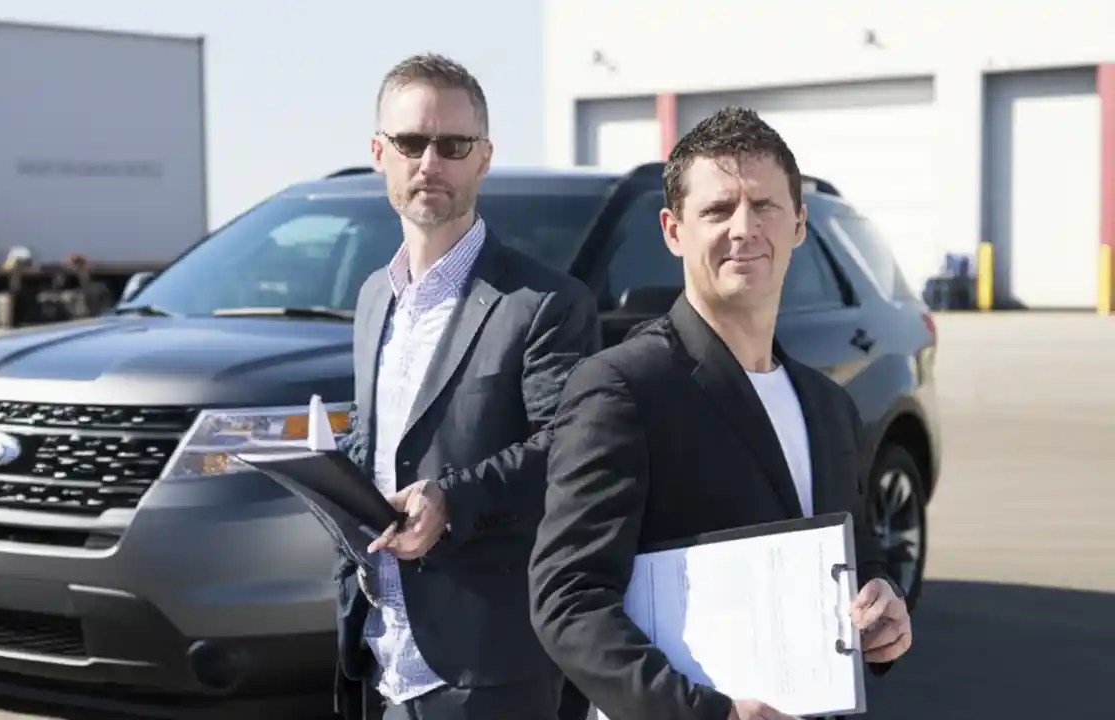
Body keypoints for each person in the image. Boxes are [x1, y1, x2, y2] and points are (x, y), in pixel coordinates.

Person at [526, 106, 914, 720]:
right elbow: (568, 602)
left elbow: (857, 557)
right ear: (673, 230)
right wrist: (709, 713)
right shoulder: (623, 388)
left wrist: (883, 607)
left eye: (764, 206)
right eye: (716, 209)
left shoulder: (828, 406)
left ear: (799, 225)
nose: (743, 228)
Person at [333, 53, 602, 720]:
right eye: (411, 142)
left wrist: (451, 501)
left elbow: (570, 452)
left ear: (482, 159)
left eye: (452, 145)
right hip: (379, 647)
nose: (431, 163)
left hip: (489, 667)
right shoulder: (374, 297)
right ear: (379, 152)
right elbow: (380, 442)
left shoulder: (545, 302)